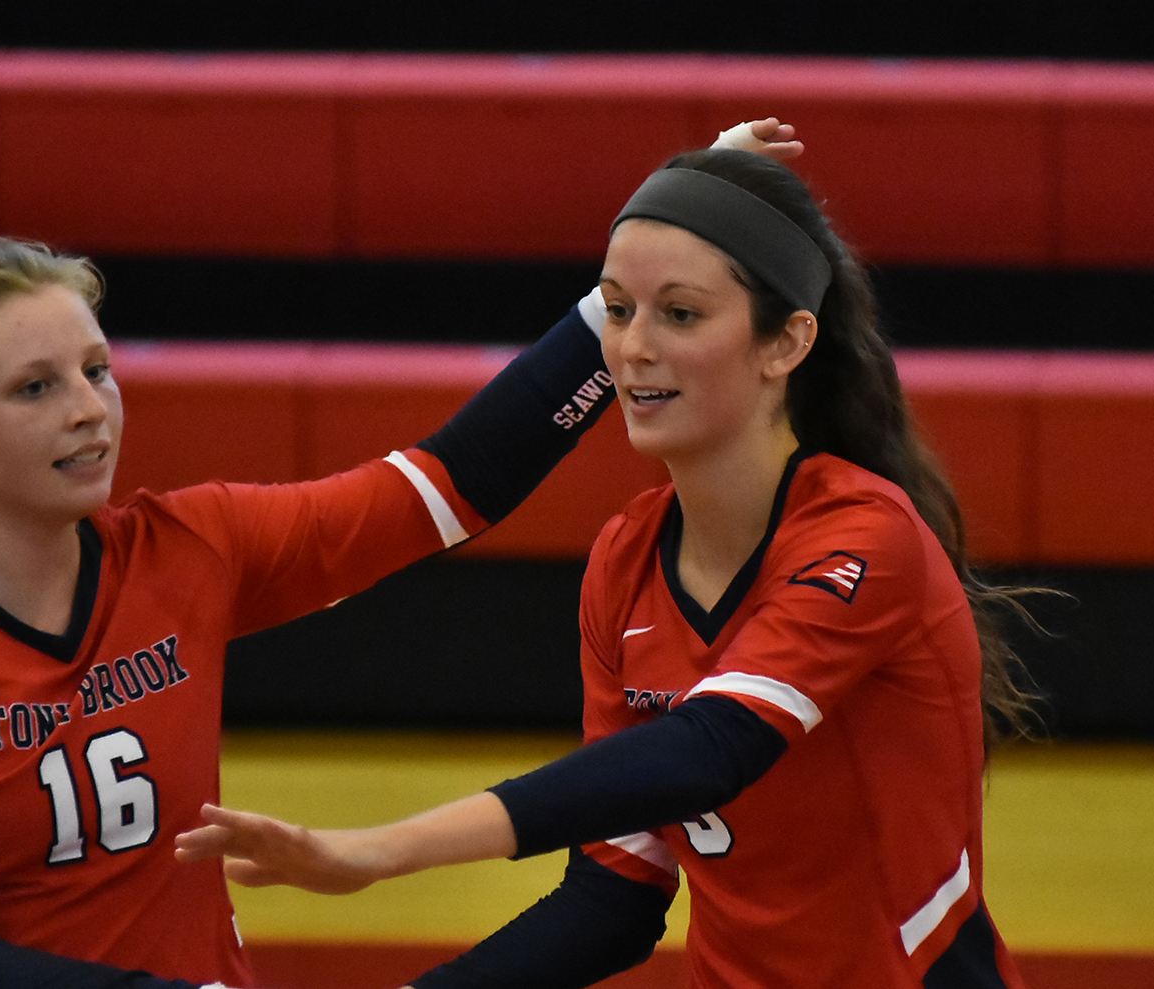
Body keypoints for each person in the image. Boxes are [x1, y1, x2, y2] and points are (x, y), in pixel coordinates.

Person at [0, 122, 803, 989]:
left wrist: (631, 293)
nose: (89, 411)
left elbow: (446, 490)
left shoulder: (186, 548)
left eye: (96, 370)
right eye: (35, 388)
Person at [175, 147, 1039, 988]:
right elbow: (614, 897)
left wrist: (376, 850)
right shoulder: (625, 561)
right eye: (618, 311)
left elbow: (704, 751)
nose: (634, 347)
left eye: (681, 314)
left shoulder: (864, 536)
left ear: (786, 344)